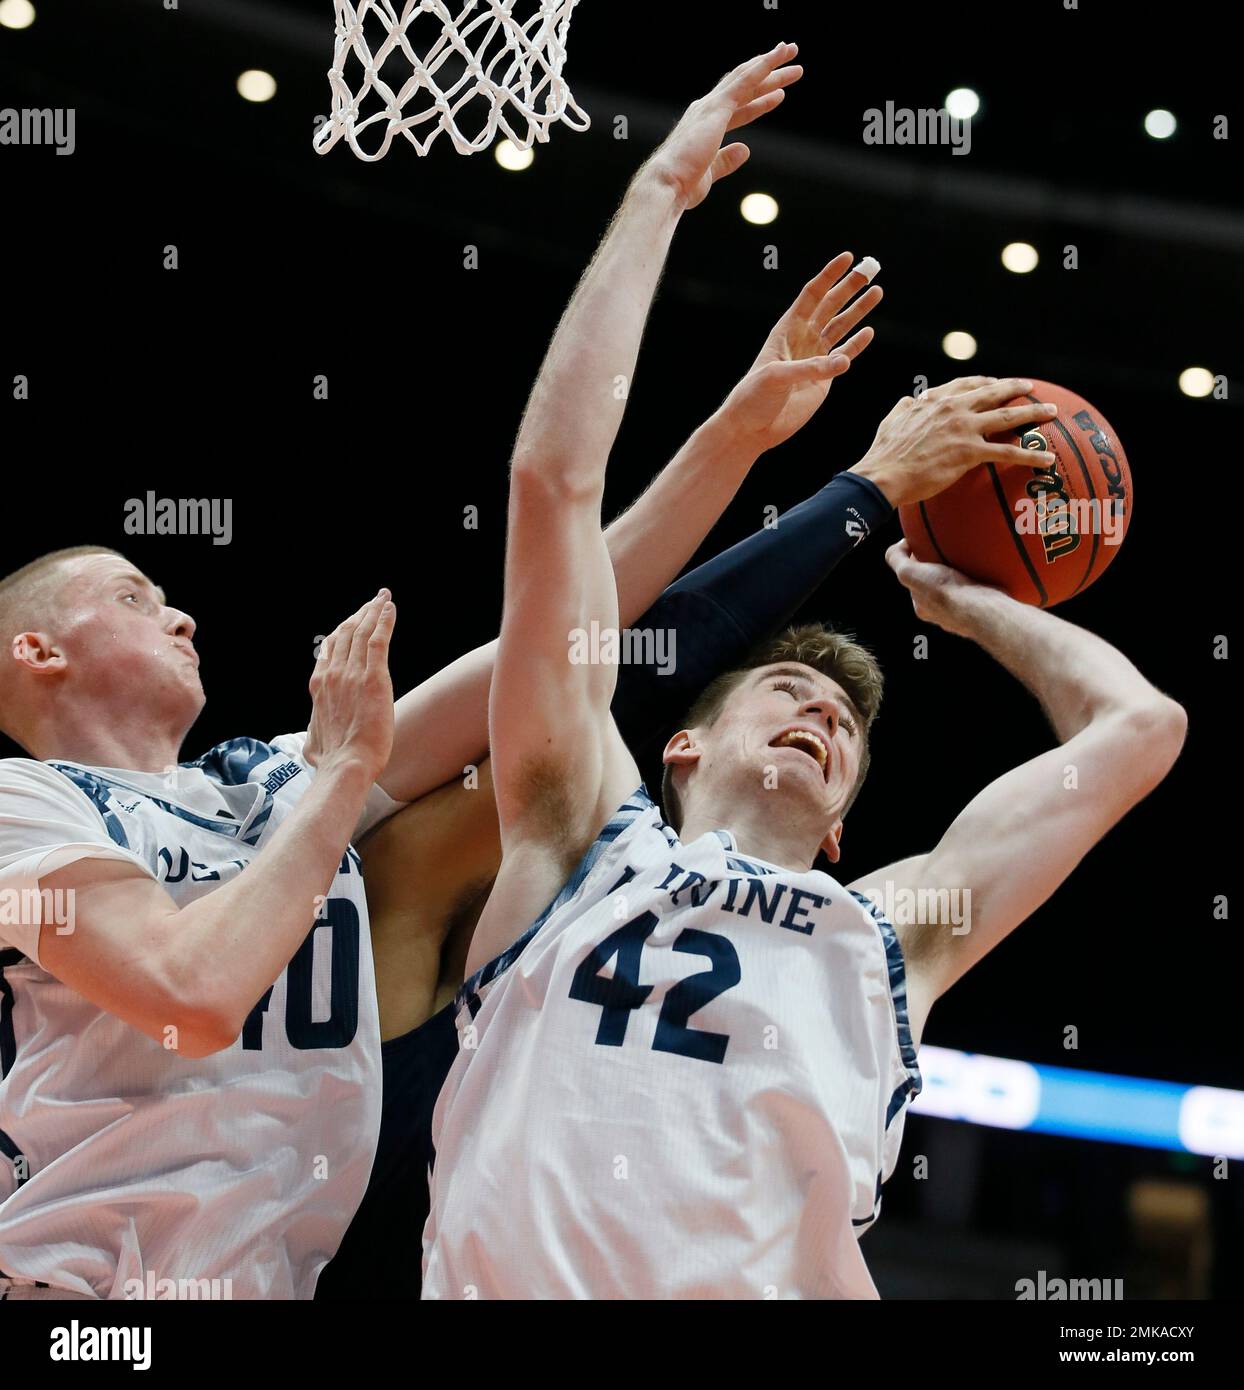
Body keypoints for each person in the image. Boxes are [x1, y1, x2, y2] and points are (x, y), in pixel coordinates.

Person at [419, 44, 1187, 1298]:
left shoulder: (889, 933)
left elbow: (1137, 725)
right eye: (785, 693)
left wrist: (959, 600)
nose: (821, 712)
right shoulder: (572, 841)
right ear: (677, 745)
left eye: (841, 726)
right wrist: (661, 192)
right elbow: (550, 489)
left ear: (841, 831)